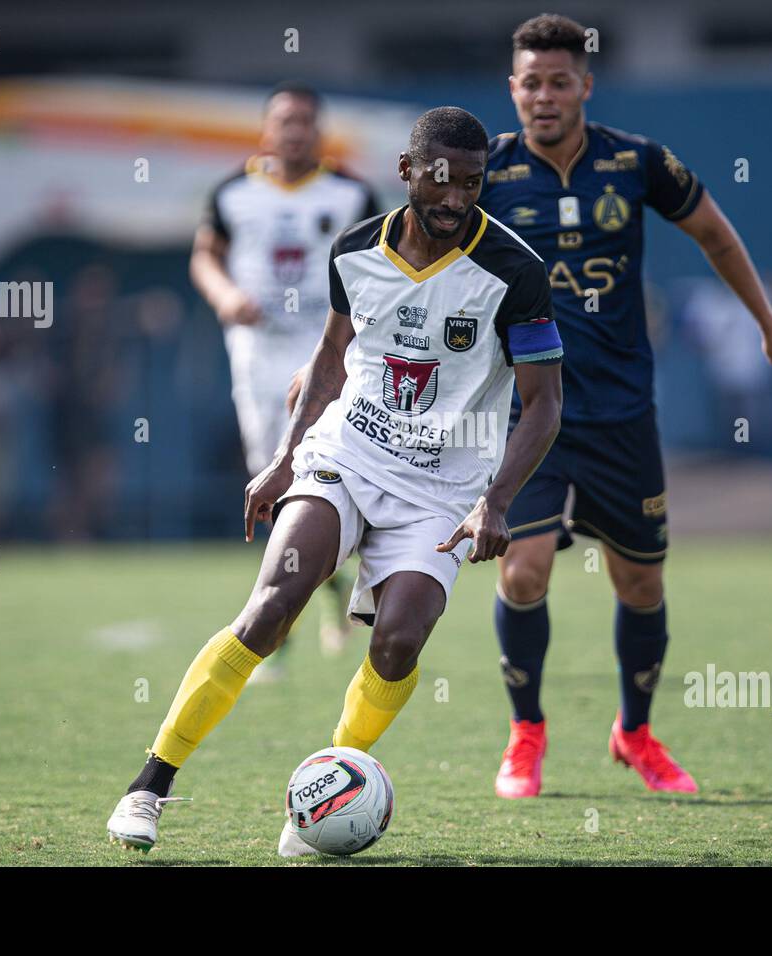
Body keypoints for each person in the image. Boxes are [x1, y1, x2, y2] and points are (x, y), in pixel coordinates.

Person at [107, 106, 564, 856]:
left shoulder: (514, 272)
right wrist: (285, 458)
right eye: (441, 181)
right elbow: (330, 357)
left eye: (473, 185)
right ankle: (149, 786)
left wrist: (496, 501)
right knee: (271, 606)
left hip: (445, 489)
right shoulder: (355, 250)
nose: (454, 200)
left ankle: (323, 790)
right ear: (408, 172)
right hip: (346, 455)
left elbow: (545, 406)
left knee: (398, 642)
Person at [479, 14, 772, 798]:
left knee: (640, 585)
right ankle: (525, 732)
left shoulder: (635, 163)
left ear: (584, 88)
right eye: (530, 82)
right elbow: (414, 259)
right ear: (513, 89)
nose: (543, 96)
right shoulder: (488, 175)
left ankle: (634, 732)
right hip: (528, 413)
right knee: (525, 572)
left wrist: (771, 328)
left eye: (558, 82)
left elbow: (716, 235)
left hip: (623, 413)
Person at [190, 81, 377, 669]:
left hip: (325, 350)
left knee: (323, 471)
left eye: (304, 121)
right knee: (269, 480)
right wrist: (224, 296)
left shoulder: (351, 193)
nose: (294, 131)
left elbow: (384, 263)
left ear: (318, 131)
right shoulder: (233, 193)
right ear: (267, 129)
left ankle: (274, 625)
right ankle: (310, 597)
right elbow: (204, 254)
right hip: (257, 352)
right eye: (284, 121)